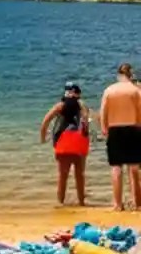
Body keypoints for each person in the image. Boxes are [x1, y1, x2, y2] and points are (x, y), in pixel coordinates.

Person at [40, 82, 91, 206]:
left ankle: (60, 202)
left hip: (63, 143)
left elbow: (45, 122)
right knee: (80, 174)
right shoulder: (82, 106)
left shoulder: (60, 106)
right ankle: (81, 202)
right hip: (79, 143)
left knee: (63, 175)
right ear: (78, 94)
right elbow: (85, 124)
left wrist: (43, 138)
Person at [100, 63, 141, 211]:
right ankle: (137, 203)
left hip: (115, 129)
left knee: (116, 168)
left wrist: (104, 129)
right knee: (134, 168)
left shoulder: (109, 90)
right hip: (134, 128)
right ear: (131, 75)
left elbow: (103, 112)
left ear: (118, 75)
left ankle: (117, 204)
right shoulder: (136, 91)